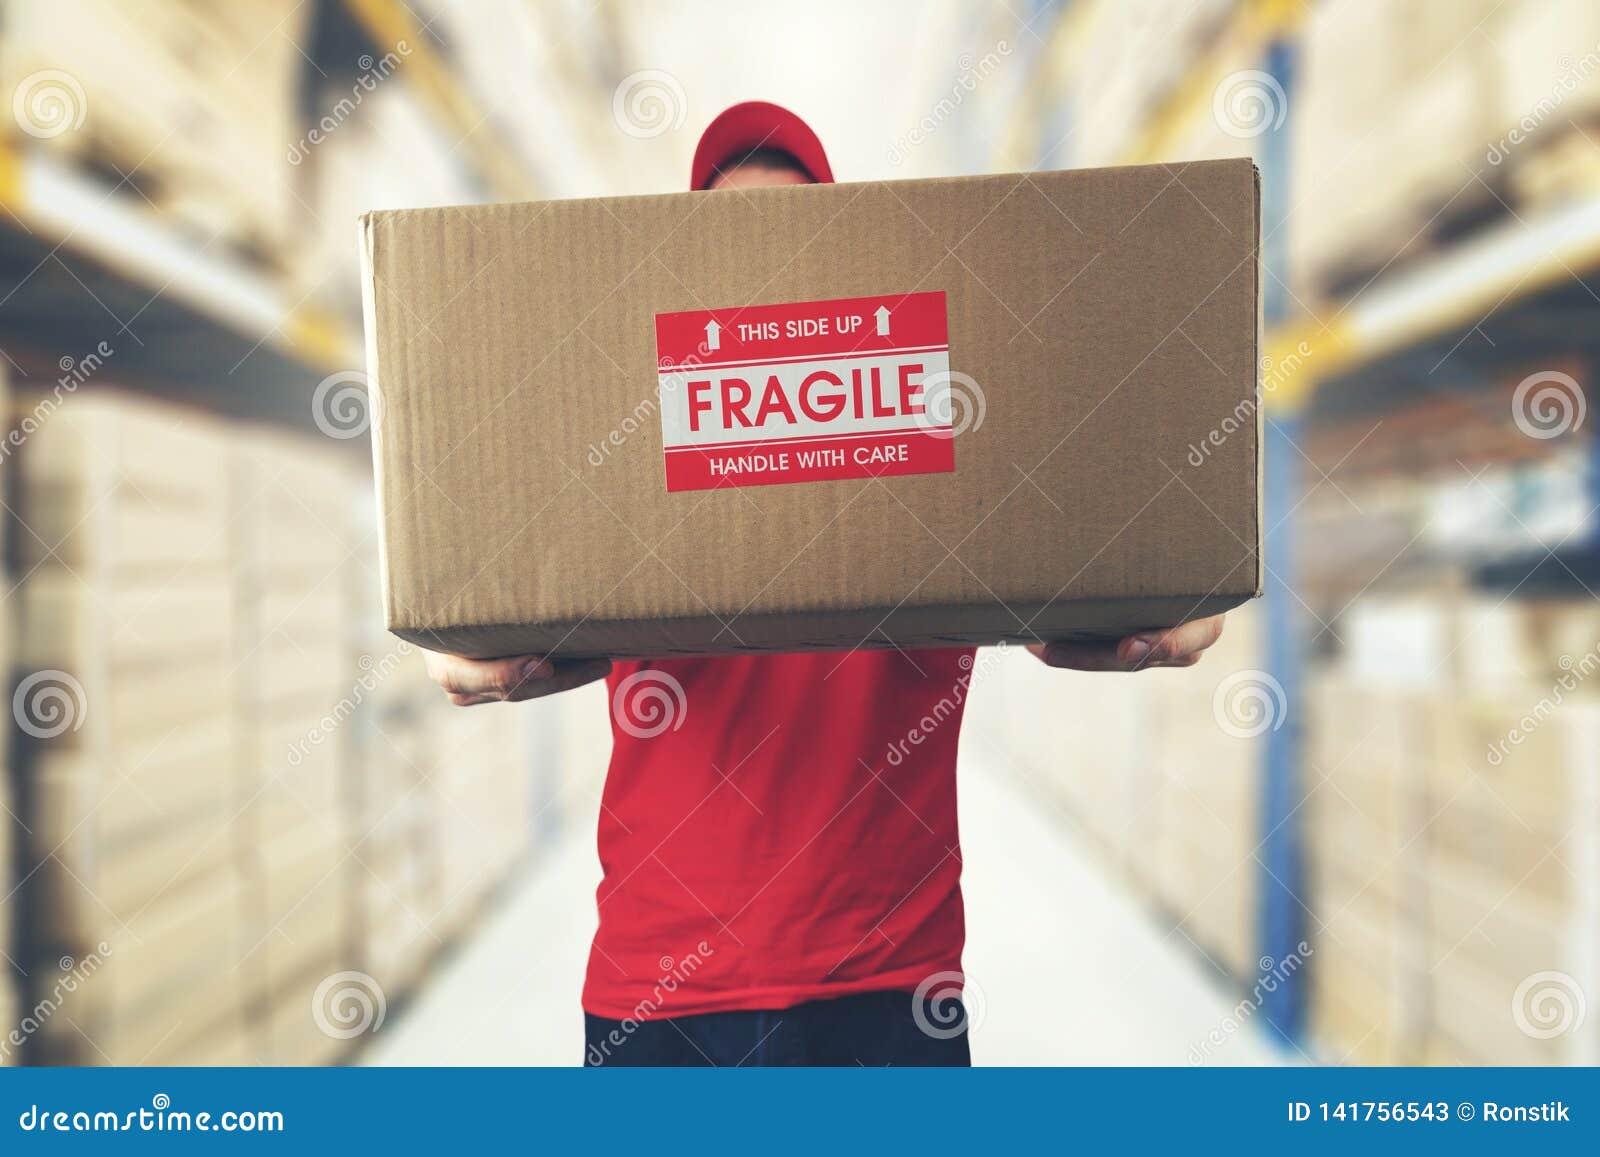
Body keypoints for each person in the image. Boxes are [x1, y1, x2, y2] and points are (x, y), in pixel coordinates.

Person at [423, 101, 1226, 1067]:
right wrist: (473, 656)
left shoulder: (945, 414)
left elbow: (1146, 537)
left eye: (794, 228)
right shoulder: (630, 436)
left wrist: (1177, 610)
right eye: (724, 232)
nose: (762, 257)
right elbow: (480, 588)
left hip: (889, 981)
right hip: (663, 976)